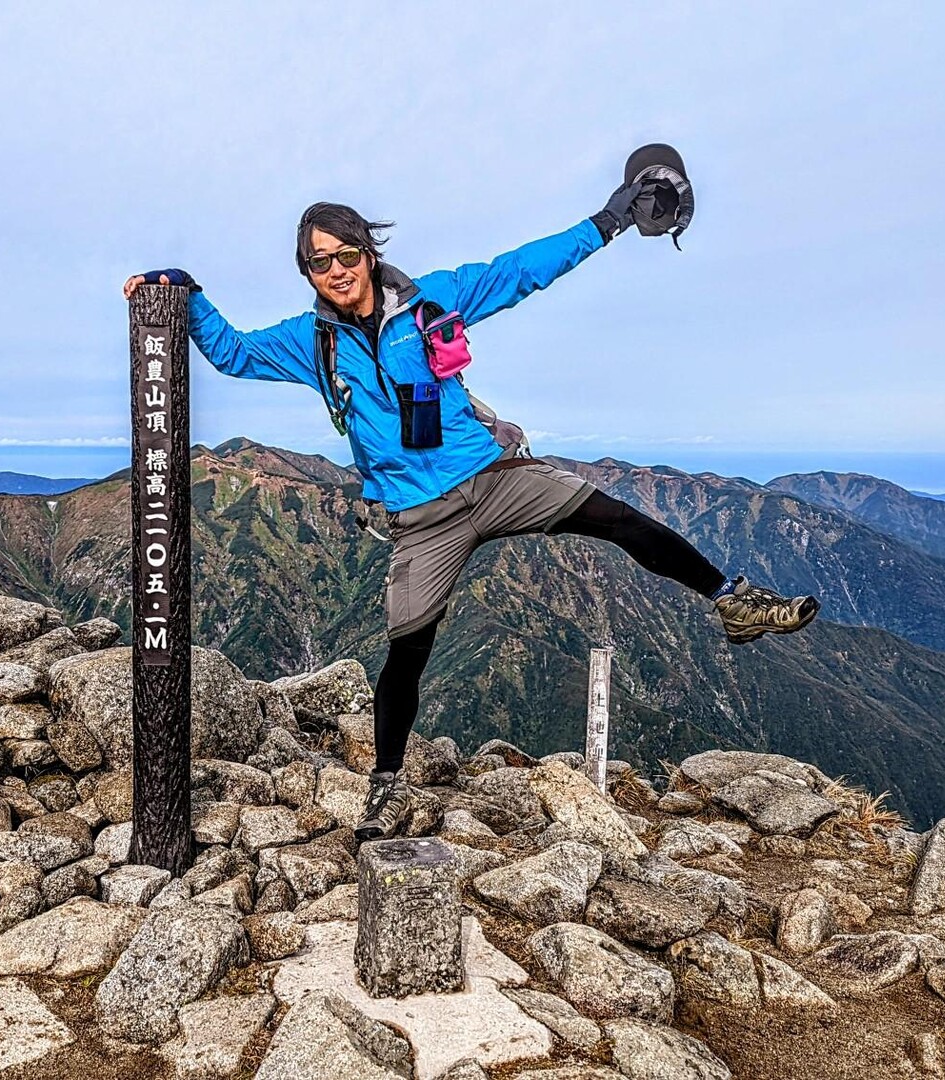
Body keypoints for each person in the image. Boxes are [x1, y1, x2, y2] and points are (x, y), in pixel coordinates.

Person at [123, 171, 819, 840]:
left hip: (493, 479)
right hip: (421, 520)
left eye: (344, 254)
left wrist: (608, 223)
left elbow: (523, 270)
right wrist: (188, 294)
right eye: (317, 262)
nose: (334, 270)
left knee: (615, 518)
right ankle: (387, 784)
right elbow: (234, 354)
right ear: (307, 273)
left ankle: (734, 601)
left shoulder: (435, 301)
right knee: (407, 653)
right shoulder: (313, 345)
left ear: (369, 252)